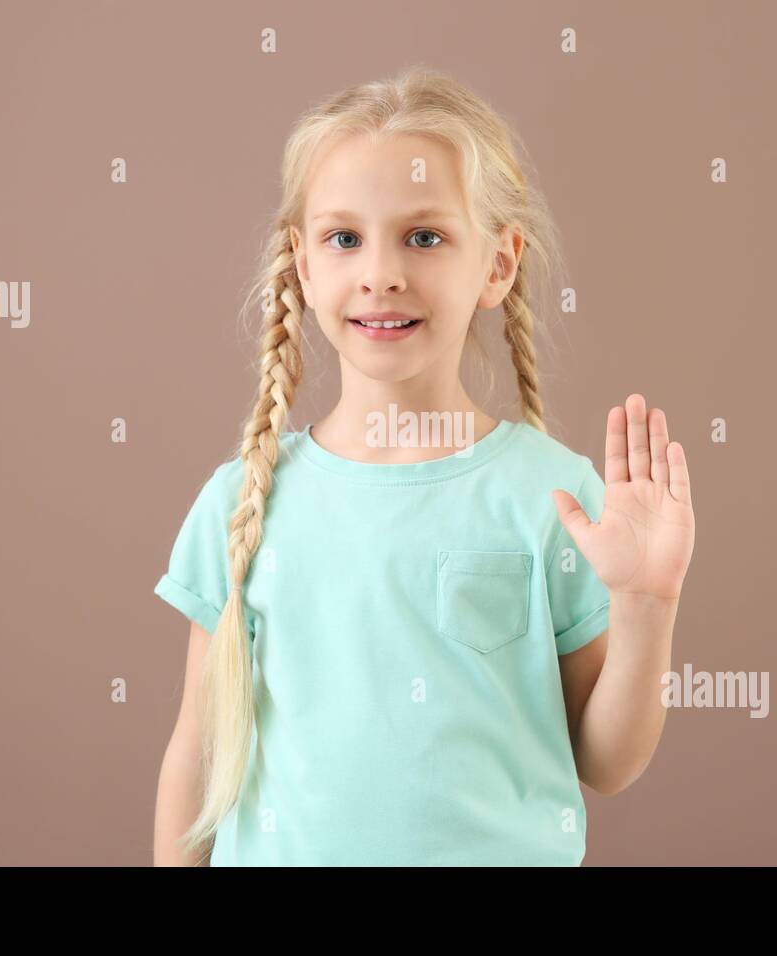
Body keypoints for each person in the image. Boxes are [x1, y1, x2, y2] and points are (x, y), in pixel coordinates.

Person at [152, 65, 696, 866]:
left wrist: (647, 604)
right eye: (345, 238)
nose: (382, 273)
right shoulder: (244, 502)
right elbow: (197, 756)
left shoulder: (557, 499)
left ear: (498, 266)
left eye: (425, 236)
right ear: (304, 265)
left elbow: (606, 764)